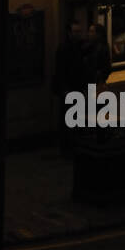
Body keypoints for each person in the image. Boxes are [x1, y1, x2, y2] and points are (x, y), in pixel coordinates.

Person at [52, 22, 85, 158]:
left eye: (79, 31)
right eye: (75, 31)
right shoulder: (65, 48)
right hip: (69, 89)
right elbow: (61, 70)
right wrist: (64, 88)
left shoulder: (79, 47)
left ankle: (72, 147)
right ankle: (67, 148)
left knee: (74, 118)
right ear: (69, 33)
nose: (78, 34)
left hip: (76, 87)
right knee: (68, 119)